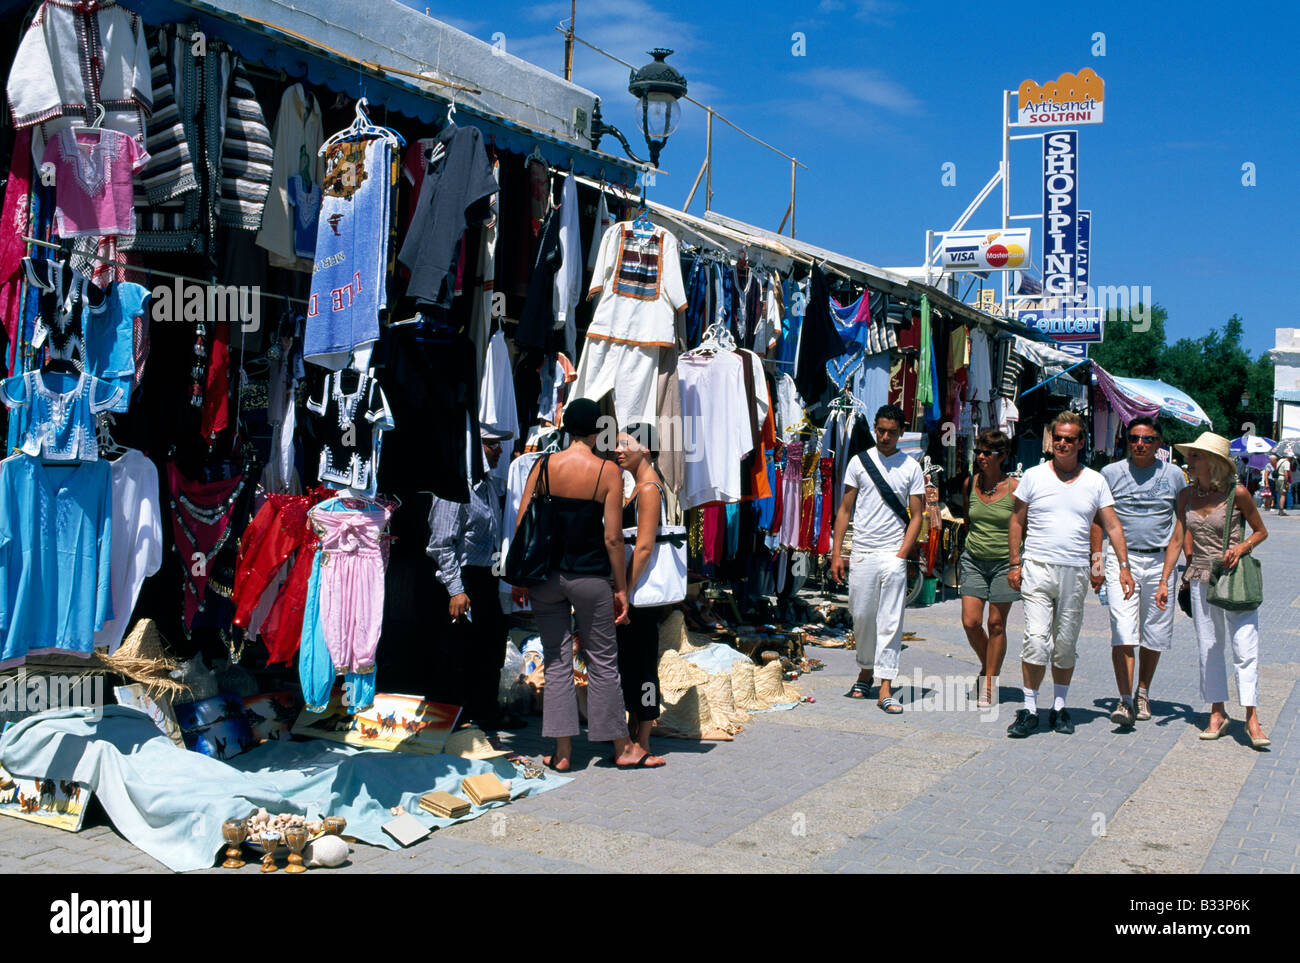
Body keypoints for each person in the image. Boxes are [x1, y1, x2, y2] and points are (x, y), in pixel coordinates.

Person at [511, 399, 664, 771]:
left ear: (564, 428)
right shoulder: (607, 473)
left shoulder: (543, 466)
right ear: (597, 432)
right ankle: (623, 747)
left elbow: (522, 522)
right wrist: (621, 587)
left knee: (558, 660)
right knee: (603, 664)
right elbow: (613, 538)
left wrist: (520, 576)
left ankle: (562, 754)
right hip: (591, 577)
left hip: (546, 577)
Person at [1006, 411, 1135, 738]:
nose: (1062, 444)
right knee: (1036, 641)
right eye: (1058, 438)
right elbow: (1016, 521)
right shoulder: (1033, 476)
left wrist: (1122, 567)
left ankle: (1060, 708)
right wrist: (1014, 563)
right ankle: (1030, 709)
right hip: (1037, 567)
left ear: (1080, 442)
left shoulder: (1095, 481)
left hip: (1075, 573)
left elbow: (1112, 525)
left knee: (1064, 644)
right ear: (1052, 440)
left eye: (1069, 439)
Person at [1155, 432, 1269, 748]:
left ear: (1213, 463)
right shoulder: (1186, 496)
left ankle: (1252, 717)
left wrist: (1241, 546)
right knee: (1209, 647)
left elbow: (1261, 531)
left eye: (1195, 456)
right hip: (1200, 579)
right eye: (1190, 456)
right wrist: (1165, 580)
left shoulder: (1239, 493)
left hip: (1234, 579)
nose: (1188, 461)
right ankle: (1217, 712)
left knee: (1244, 647)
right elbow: (1177, 540)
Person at [1088, 417, 1186, 728]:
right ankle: (1125, 700)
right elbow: (1097, 521)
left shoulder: (1173, 476)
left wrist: (1187, 568)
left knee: (1153, 633)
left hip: (1160, 562)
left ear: (1159, 444)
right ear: (1126, 441)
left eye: (1147, 439)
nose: (1140, 444)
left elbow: (1182, 524)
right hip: (1122, 561)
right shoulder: (1111, 473)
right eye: (1134, 438)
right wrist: (1097, 562)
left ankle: (1143, 691)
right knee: (1123, 629)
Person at [830, 404, 925, 715]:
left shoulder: (911, 467)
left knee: (891, 621)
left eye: (892, 432)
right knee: (862, 616)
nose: (885, 437)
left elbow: (917, 516)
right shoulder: (859, 462)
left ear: (901, 432)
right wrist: (837, 552)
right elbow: (845, 510)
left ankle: (885, 684)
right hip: (862, 552)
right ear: (874, 427)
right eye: (881, 430)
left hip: (892, 555)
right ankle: (865, 668)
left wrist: (902, 554)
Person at [426, 426, 522, 731]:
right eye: (492, 445)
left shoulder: (490, 485)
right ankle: (452, 719)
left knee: (490, 646)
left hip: (486, 576)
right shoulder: (456, 488)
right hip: (462, 577)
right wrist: (456, 589)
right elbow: (441, 543)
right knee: (458, 651)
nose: (499, 452)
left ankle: (484, 712)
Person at [615, 424, 670, 756]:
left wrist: (624, 589)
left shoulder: (649, 489)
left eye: (625, 444)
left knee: (644, 664)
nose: (618, 449)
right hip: (633, 592)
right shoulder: (636, 487)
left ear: (646, 449)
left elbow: (645, 547)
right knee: (633, 663)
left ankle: (645, 738)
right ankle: (636, 730)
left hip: (641, 594)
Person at [959, 429, 1019, 709]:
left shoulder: (1016, 488)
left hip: (1004, 563)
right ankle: (989, 665)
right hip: (973, 559)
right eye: (978, 452)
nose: (981, 457)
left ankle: (989, 681)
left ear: (1002, 456)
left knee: (996, 624)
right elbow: (967, 520)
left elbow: (1024, 527)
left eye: (988, 453)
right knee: (971, 622)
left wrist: (1018, 564)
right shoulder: (970, 483)